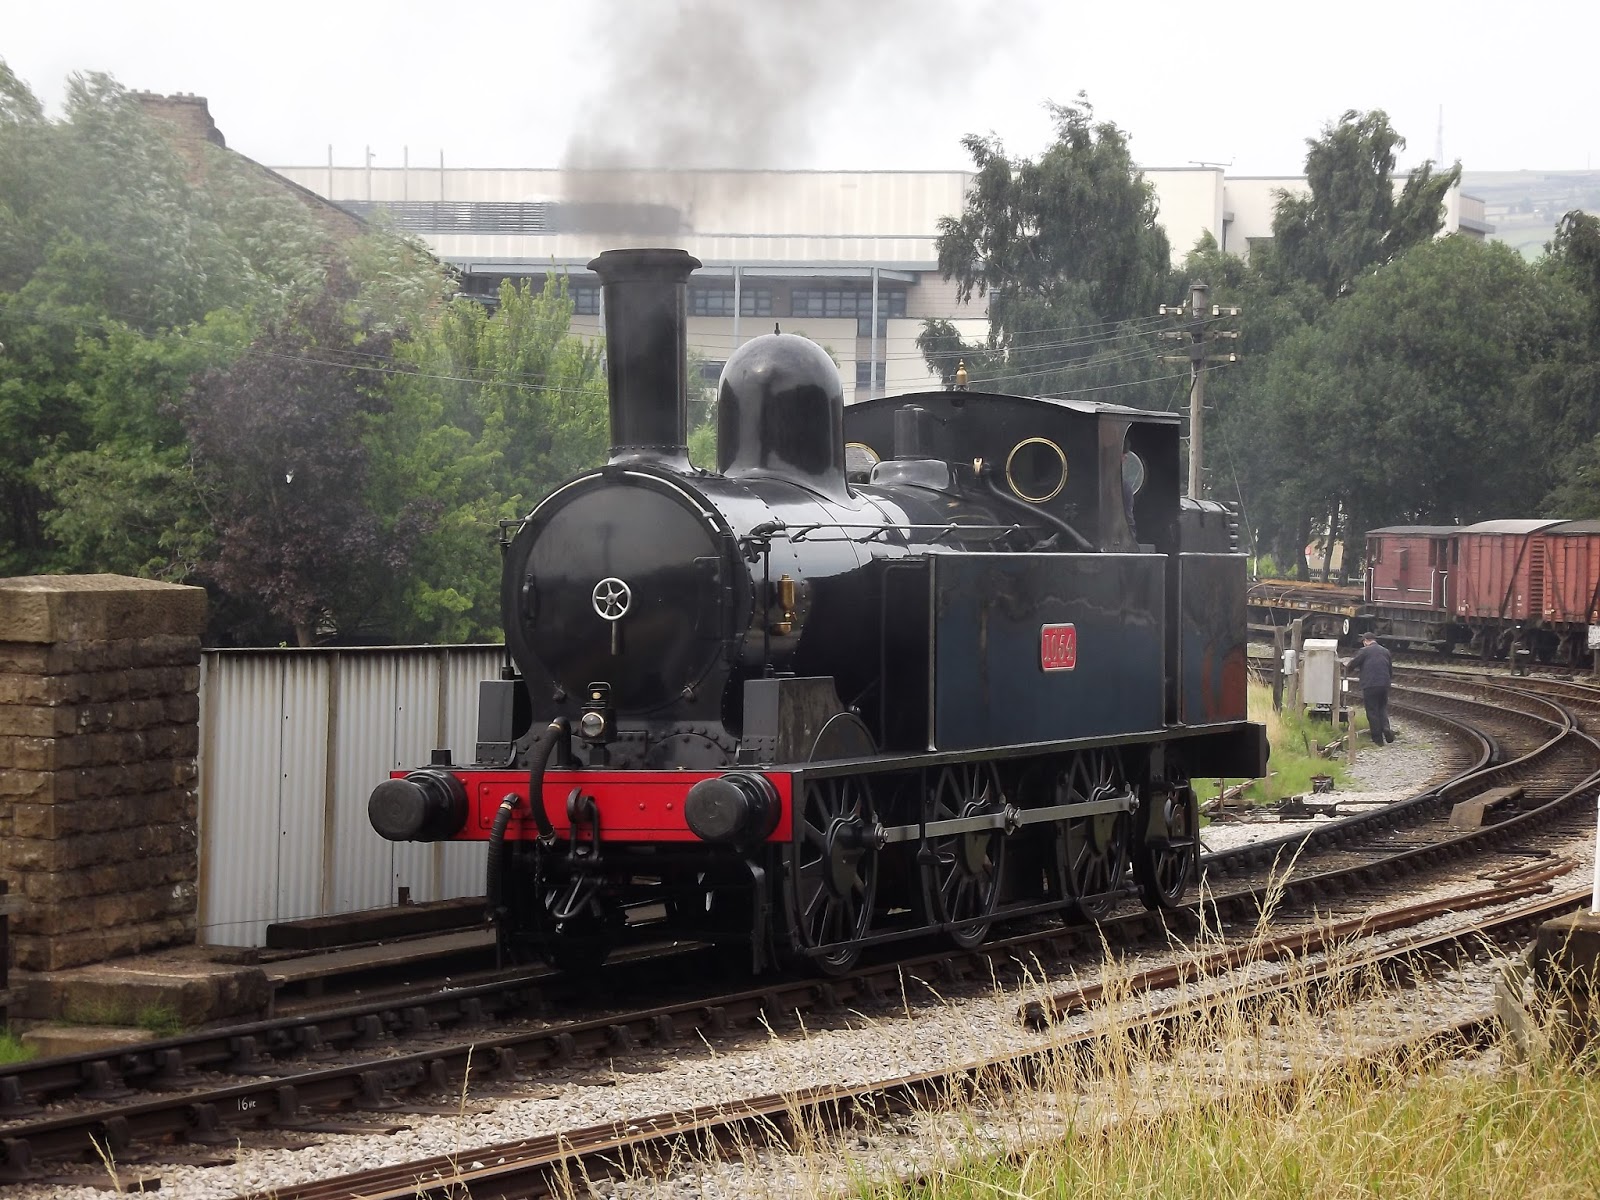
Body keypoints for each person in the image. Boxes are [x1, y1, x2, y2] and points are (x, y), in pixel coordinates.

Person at [1345, 632, 1395, 746]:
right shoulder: (1385, 651)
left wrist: (1347, 669)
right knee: (1382, 708)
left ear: (1366, 641)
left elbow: (1354, 663)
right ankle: (1386, 728)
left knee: (1372, 711)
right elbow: (1390, 670)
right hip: (1384, 684)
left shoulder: (1364, 651)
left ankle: (1378, 739)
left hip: (1370, 685)